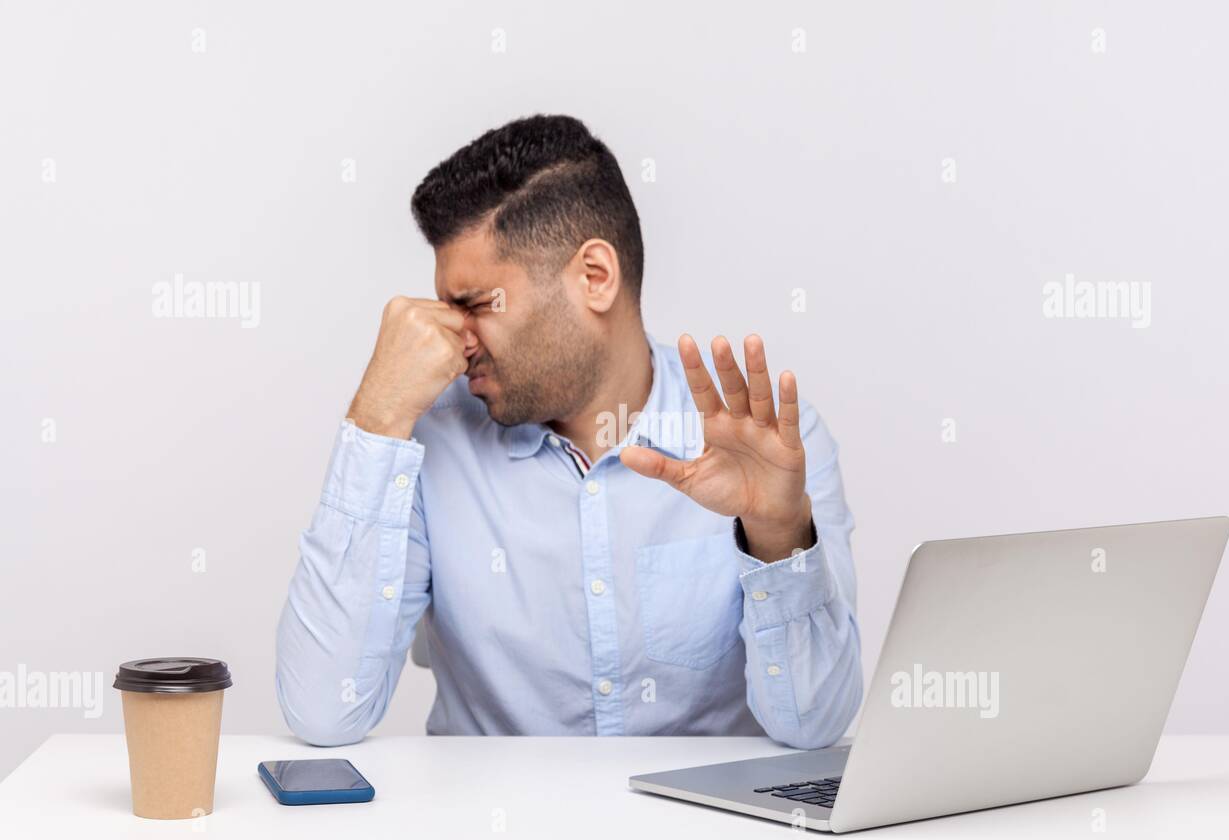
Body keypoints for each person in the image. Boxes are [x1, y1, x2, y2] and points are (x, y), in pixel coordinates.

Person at [275, 114, 862, 749]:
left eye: (474, 304)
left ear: (594, 278)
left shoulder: (767, 443)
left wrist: (778, 537)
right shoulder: (427, 437)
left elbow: (815, 727)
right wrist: (377, 417)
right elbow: (322, 712)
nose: (455, 340)